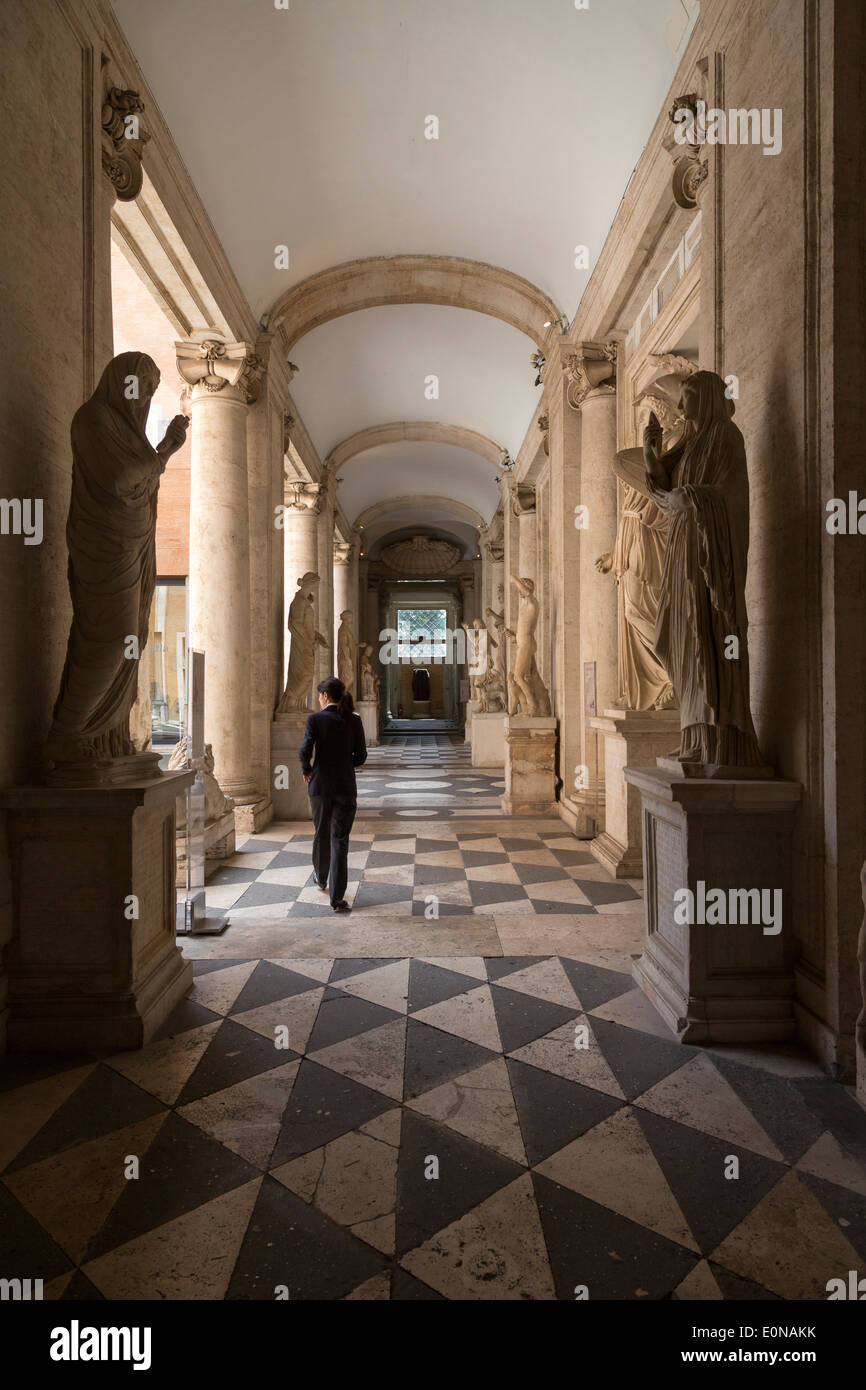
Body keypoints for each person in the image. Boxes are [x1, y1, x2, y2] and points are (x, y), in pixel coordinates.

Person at [299, 676, 367, 912]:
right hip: (346, 787)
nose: (318, 699)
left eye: (319, 695)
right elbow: (361, 757)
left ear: (325, 695)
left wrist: (307, 771)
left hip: (320, 787)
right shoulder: (354, 720)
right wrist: (346, 764)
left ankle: (320, 877)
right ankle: (337, 898)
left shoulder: (315, 719)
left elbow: (304, 751)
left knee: (321, 832)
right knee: (340, 840)